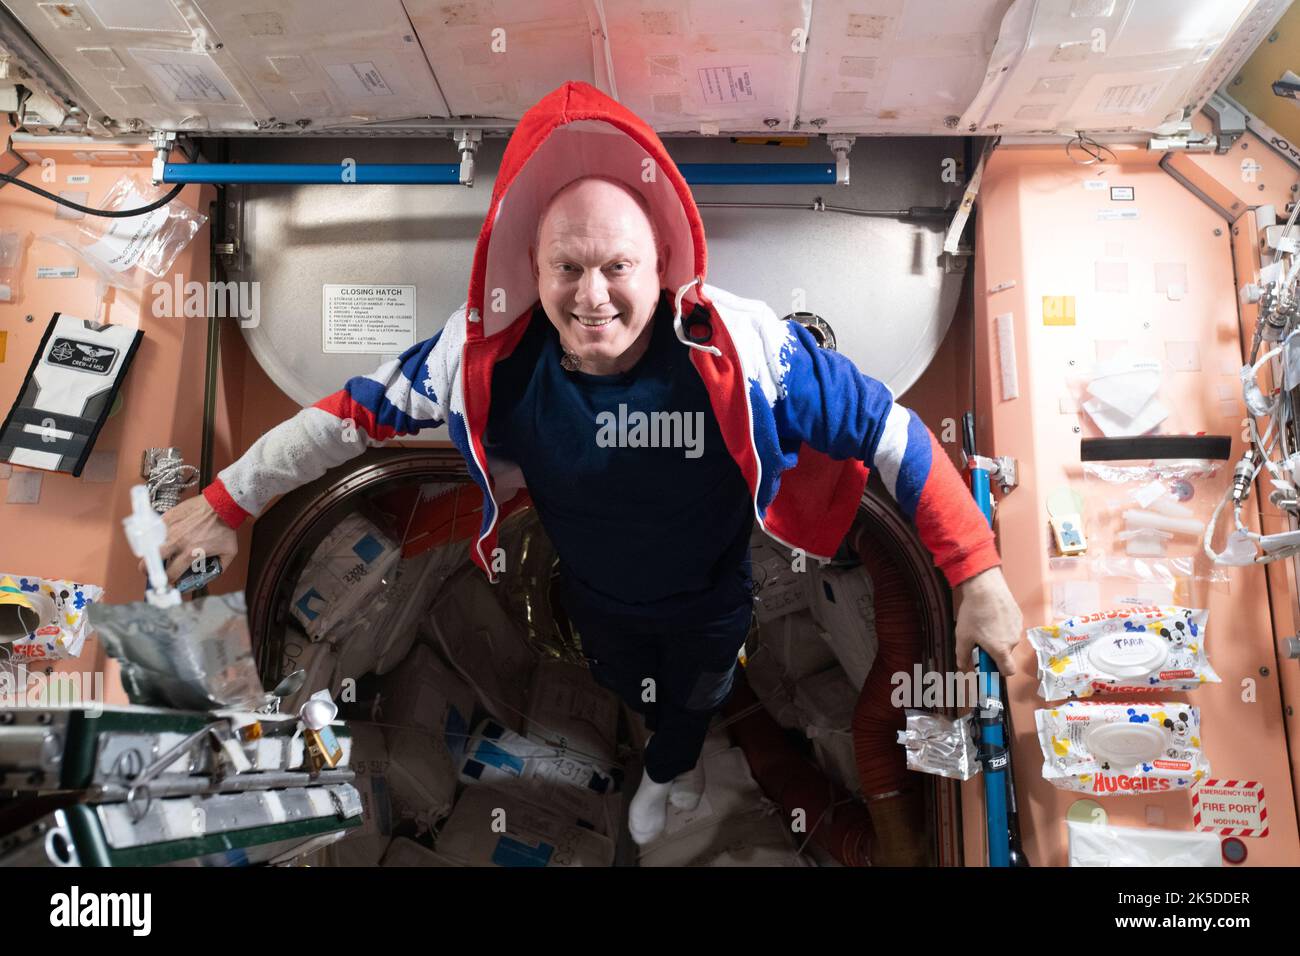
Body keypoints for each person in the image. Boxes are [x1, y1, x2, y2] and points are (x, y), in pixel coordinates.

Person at [149, 81, 1023, 847]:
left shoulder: (743, 350)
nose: (593, 295)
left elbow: (890, 431)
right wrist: (227, 502)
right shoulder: (485, 358)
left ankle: (670, 766)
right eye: (568, 266)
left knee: (697, 695)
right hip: (593, 594)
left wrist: (977, 572)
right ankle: (654, 736)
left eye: (618, 266)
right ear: (533, 267)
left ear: (664, 265)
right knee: (626, 681)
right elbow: (347, 419)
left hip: (716, 596)